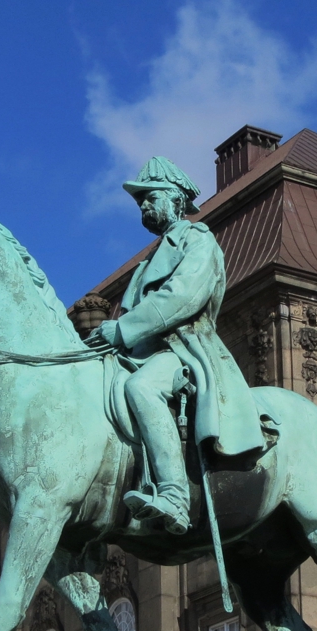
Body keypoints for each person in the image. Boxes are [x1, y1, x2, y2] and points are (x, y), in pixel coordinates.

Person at [84, 156, 267, 533]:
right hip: (145, 350)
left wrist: (121, 329)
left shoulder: (198, 240)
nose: (144, 206)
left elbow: (181, 297)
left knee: (142, 387)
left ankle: (174, 495)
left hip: (184, 347)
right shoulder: (147, 260)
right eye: (140, 202)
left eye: (149, 197)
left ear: (175, 198)